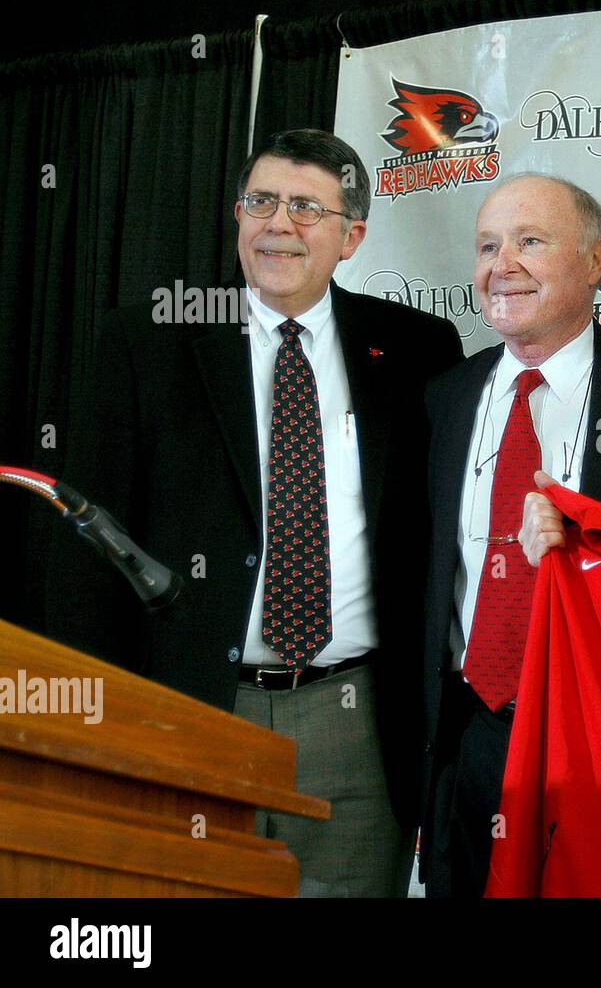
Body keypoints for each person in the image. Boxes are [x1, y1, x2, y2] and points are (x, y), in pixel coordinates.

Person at [47, 129, 464, 896]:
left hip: (358, 726)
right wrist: (93, 730)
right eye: (262, 202)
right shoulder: (147, 342)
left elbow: (516, 397)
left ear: (353, 235)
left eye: (307, 207)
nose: (279, 223)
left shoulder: (417, 348)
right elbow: (88, 559)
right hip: (192, 714)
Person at [421, 173, 601, 897]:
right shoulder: (442, 398)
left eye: (530, 241)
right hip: (470, 733)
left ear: (597, 259)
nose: (500, 265)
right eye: (487, 245)